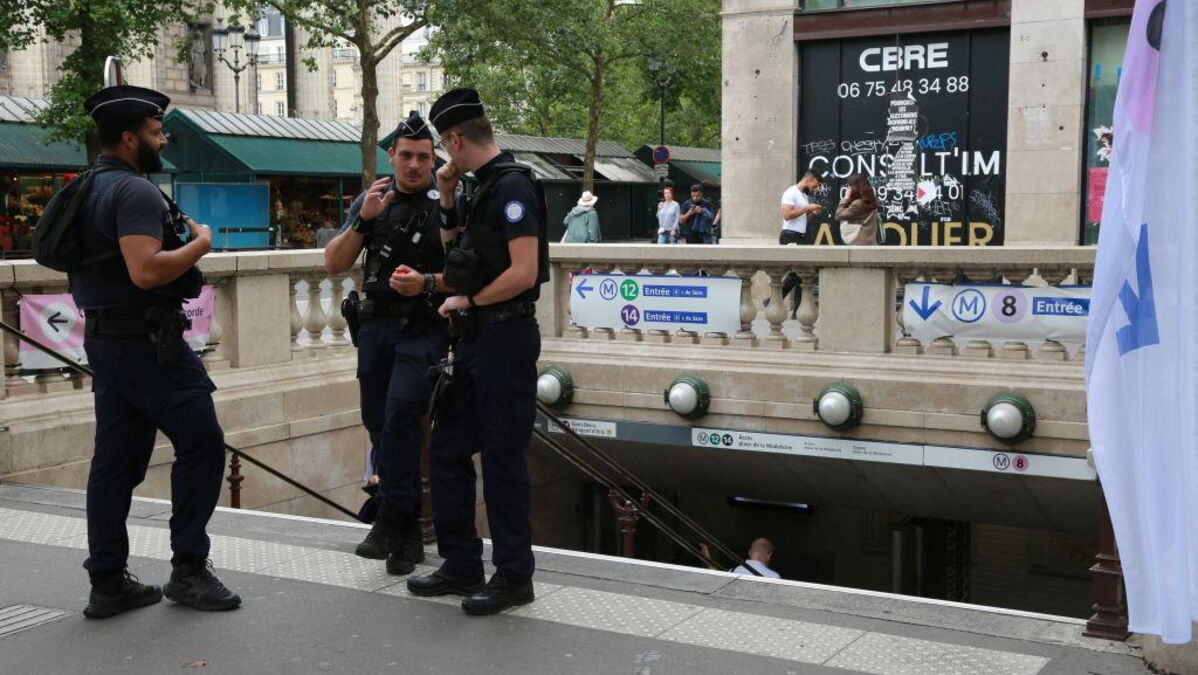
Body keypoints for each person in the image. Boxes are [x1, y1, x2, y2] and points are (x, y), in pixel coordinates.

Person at [68, 85, 239, 618]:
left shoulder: (86, 188)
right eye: (155, 131)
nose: (162, 139)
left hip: (106, 340)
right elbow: (145, 270)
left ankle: (107, 580)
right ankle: (188, 569)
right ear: (128, 137)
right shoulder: (135, 192)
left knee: (115, 462)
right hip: (148, 343)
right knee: (203, 443)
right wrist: (200, 245)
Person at [395, 88, 548, 615]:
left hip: (505, 337)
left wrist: (469, 299)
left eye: (443, 148)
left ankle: (513, 577)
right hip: (478, 337)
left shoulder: (513, 188)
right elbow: (460, 255)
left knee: (503, 459)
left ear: (455, 139)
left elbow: (523, 273)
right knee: (447, 449)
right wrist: (444, 195)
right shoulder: (481, 188)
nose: (443, 156)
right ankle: (461, 563)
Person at [324, 111, 449, 576]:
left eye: (422, 157)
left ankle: (395, 523)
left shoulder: (447, 202)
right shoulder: (372, 199)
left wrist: (427, 284)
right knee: (377, 421)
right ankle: (401, 529)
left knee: (401, 414)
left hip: (423, 327)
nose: (413, 165)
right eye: (405, 156)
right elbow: (333, 264)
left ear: (433, 159)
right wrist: (362, 221)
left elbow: (469, 272)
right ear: (392, 157)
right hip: (375, 329)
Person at [780, 170, 823, 245]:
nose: (815, 189)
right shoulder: (791, 192)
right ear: (808, 180)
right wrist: (807, 208)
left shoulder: (804, 195)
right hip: (790, 235)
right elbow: (786, 215)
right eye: (815, 186)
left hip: (799, 236)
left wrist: (813, 214)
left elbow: (802, 220)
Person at [835, 173, 880, 246]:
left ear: (855, 187)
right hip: (871, 241)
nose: (848, 189)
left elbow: (839, 215)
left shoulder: (858, 204)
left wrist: (845, 198)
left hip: (858, 241)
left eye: (849, 186)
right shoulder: (872, 200)